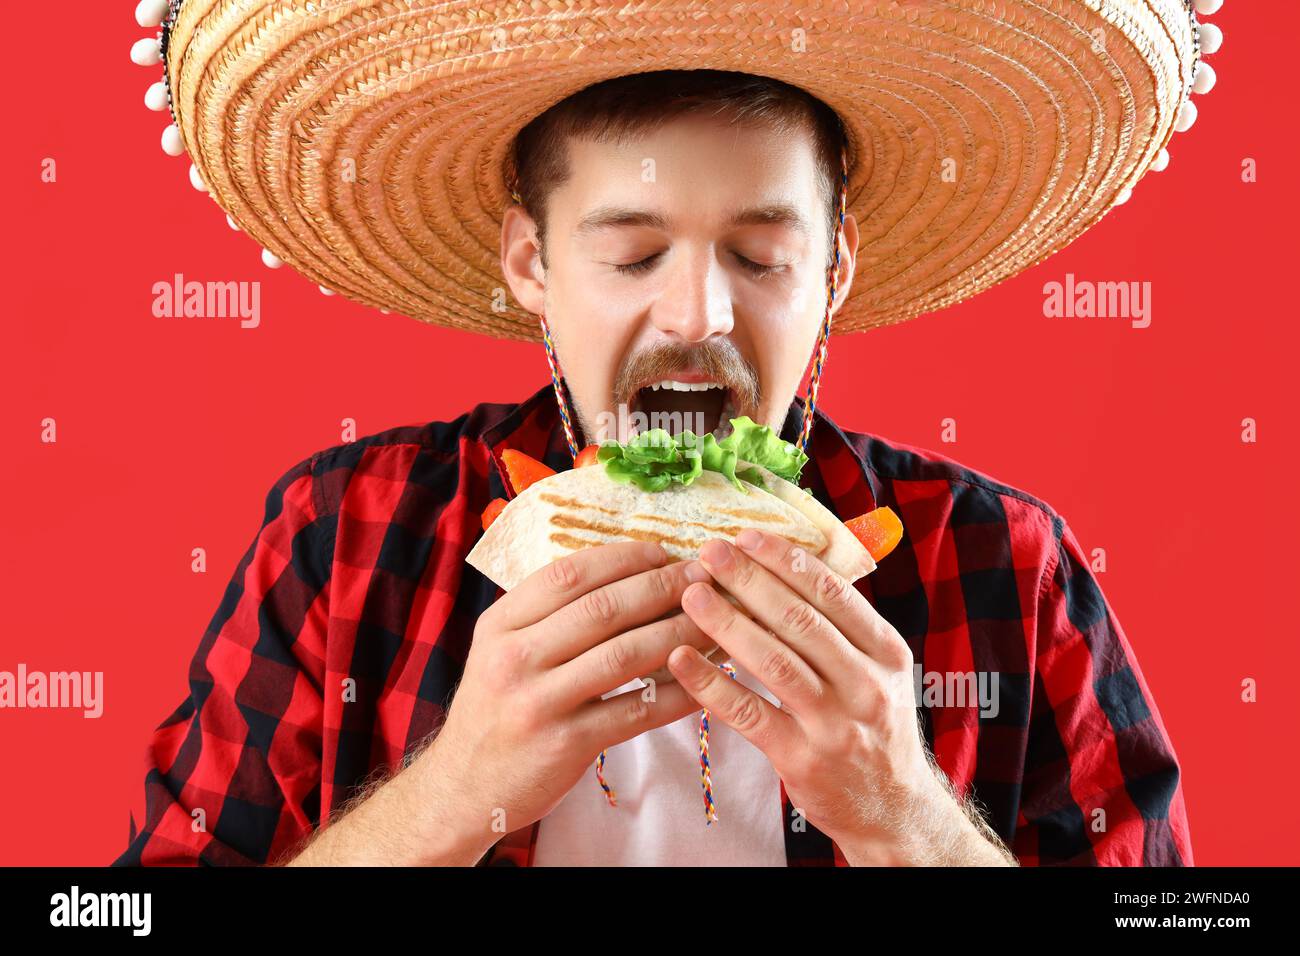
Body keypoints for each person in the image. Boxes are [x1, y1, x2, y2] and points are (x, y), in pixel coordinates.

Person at [116, 0, 1220, 866]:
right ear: (531, 263)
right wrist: (448, 796)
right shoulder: (343, 533)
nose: (697, 315)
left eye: (760, 256)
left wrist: (905, 820)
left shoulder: (1007, 567)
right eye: (634, 254)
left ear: (833, 272)